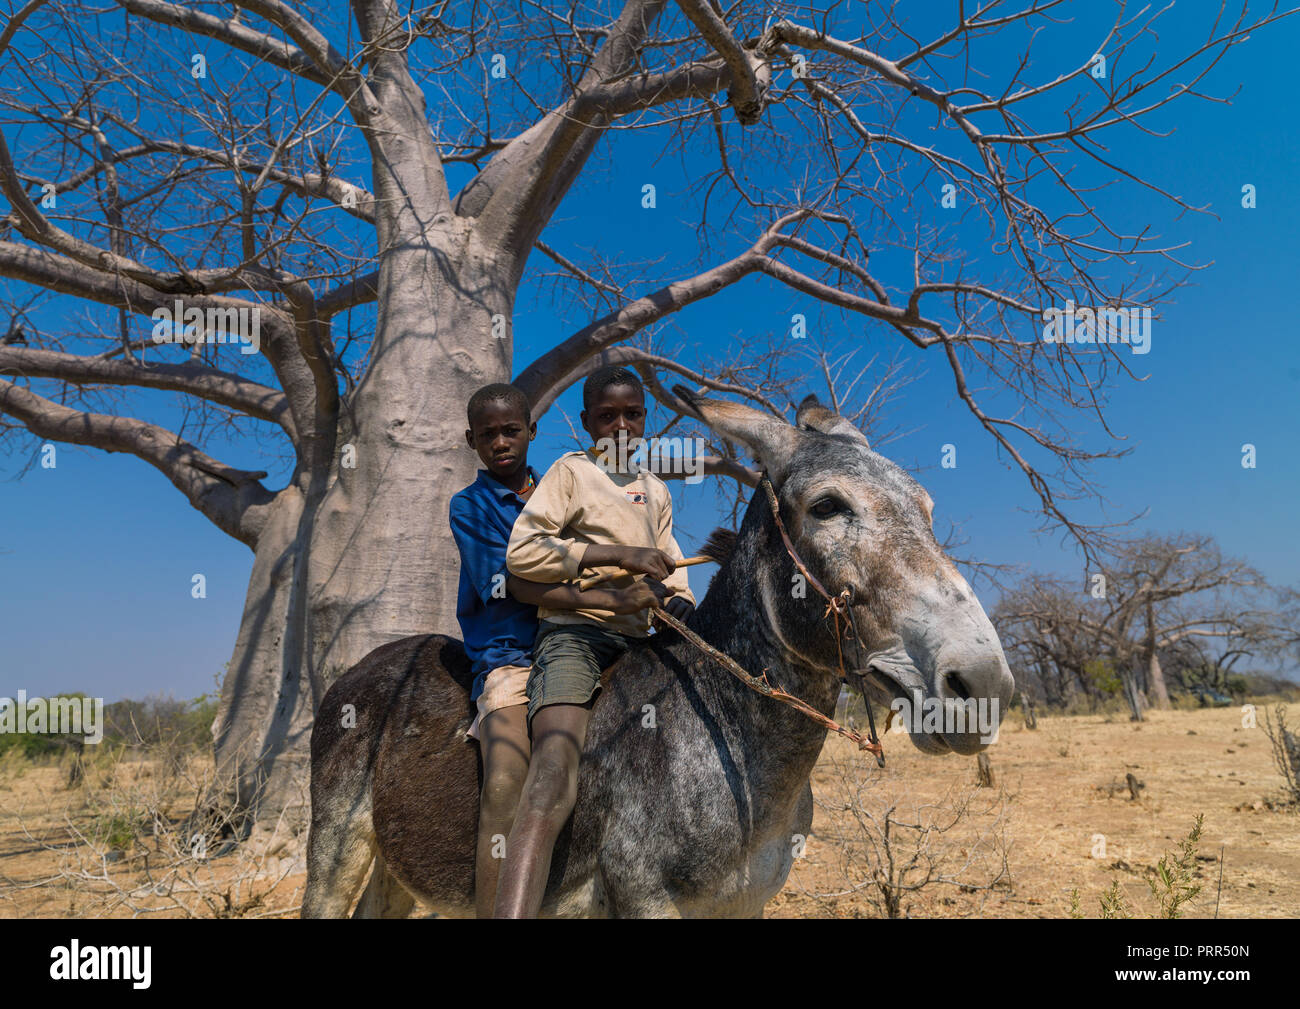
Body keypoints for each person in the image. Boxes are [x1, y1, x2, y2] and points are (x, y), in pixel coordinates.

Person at [449, 381, 659, 918]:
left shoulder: (559, 486)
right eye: (489, 434)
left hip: (594, 631)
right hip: (513, 652)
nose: (501, 442)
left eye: (511, 431)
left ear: (532, 433)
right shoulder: (471, 506)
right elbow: (514, 584)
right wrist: (611, 597)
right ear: (471, 440)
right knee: (508, 776)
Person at [493, 365, 696, 918]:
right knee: (552, 774)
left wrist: (679, 598)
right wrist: (618, 558)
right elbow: (524, 554)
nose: (622, 426)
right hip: (576, 636)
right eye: (608, 416)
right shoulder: (571, 473)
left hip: (641, 643)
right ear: (587, 423)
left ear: (646, 419)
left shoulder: (654, 489)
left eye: (633, 414)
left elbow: (671, 562)